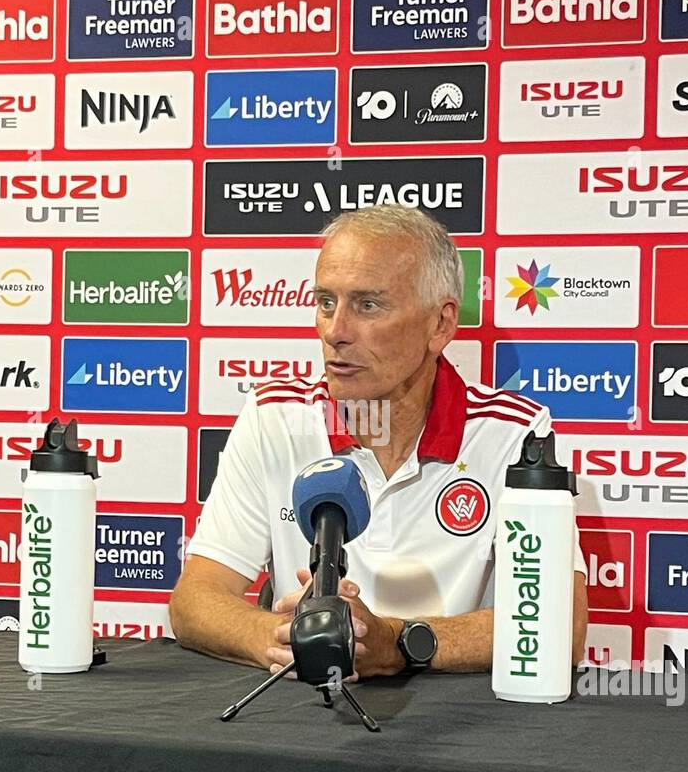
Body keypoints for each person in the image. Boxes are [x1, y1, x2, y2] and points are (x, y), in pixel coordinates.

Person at [170, 204, 588, 680]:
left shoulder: (513, 432)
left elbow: (562, 626)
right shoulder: (276, 417)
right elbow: (195, 600)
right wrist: (282, 641)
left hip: (464, 726)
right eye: (326, 302)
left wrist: (394, 642)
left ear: (441, 325)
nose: (335, 332)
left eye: (368, 305)